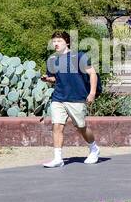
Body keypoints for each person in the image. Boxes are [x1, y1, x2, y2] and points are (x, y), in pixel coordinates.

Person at [41, 31, 100, 168]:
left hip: (76, 97)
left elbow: (92, 73)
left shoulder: (79, 56)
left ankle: (94, 148)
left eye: (59, 41)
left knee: (81, 127)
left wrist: (92, 93)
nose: (56, 43)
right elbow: (56, 78)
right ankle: (58, 159)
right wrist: (47, 79)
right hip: (58, 97)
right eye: (54, 41)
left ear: (67, 42)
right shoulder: (52, 60)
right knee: (57, 126)